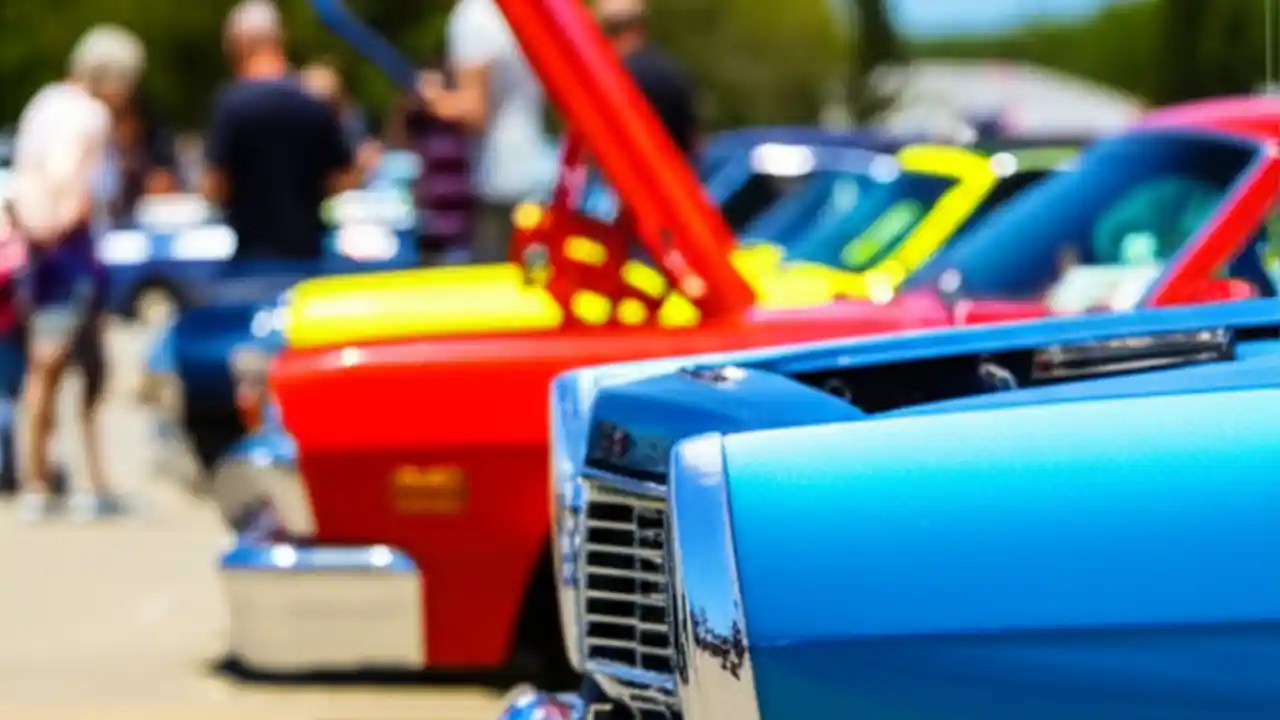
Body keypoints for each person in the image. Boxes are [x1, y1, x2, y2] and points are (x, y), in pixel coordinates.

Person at [9, 24, 141, 521]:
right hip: (70, 248)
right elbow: (69, 176)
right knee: (73, 367)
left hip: (37, 246)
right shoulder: (89, 115)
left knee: (51, 367)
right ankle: (70, 482)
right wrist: (68, 219)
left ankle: (41, 478)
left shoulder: (42, 103)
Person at [203, 0, 356, 261]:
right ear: (281, 38)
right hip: (308, 251)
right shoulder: (313, 100)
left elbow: (215, 187)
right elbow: (344, 178)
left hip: (252, 255)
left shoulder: (230, 106)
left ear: (237, 45)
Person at [418, 0, 555, 264]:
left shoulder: (472, 18)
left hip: (499, 181)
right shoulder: (522, 13)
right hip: (541, 167)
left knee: (499, 284)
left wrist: (432, 98)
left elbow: (474, 110)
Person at [595, 0, 699, 158]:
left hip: (634, 173)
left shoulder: (616, 79)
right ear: (641, 26)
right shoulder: (670, 69)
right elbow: (693, 138)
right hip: (678, 173)